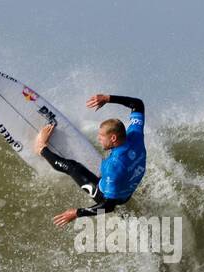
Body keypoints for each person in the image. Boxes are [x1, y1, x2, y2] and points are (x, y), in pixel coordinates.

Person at [34, 93, 146, 227]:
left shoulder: (113, 167)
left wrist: (77, 213)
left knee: (73, 168)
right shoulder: (135, 135)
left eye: (101, 136)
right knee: (114, 178)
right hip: (126, 192)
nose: (99, 139)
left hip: (107, 195)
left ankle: (41, 149)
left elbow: (108, 206)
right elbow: (137, 104)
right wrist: (108, 98)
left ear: (113, 138)